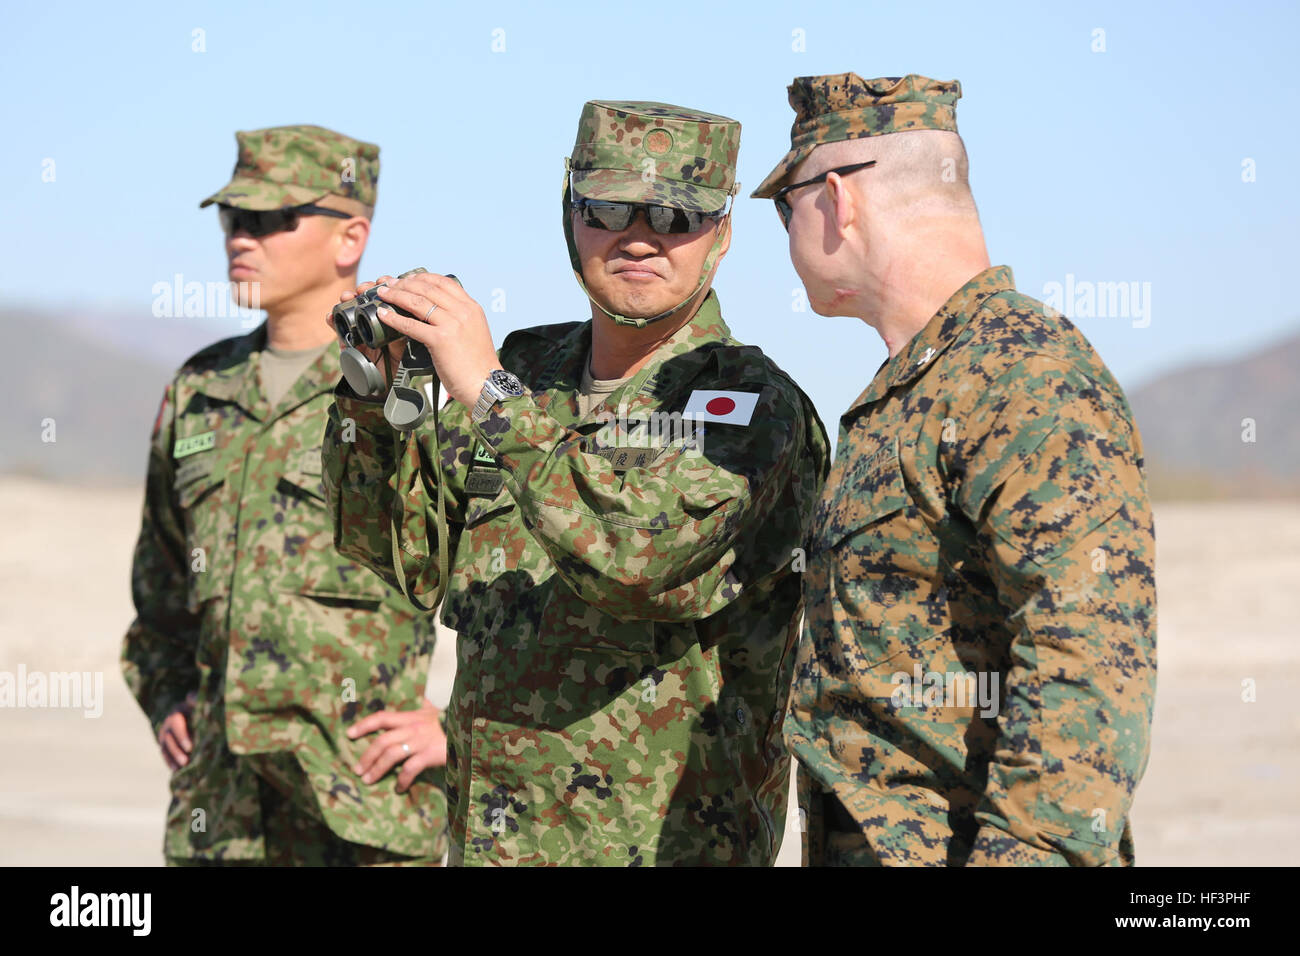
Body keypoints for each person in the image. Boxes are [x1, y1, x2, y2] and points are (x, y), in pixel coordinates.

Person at [322, 100, 829, 865]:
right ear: (571, 216)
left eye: (674, 214)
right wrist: (371, 402)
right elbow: (401, 559)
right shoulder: (529, 370)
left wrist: (489, 396)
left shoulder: (747, 406)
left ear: (720, 238)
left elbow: (633, 558)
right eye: (608, 208)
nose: (638, 237)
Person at [751, 74, 1157, 866]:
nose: (787, 230)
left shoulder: (1026, 376)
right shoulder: (923, 384)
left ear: (838, 200)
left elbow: (1090, 674)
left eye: (784, 205)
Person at [122, 124, 447, 865]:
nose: (243, 237)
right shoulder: (202, 390)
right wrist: (171, 697)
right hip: (222, 820)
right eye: (235, 218)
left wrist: (454, 726)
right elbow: (161, 589)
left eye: (272, 219)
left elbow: (511, 588)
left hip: (360, 814)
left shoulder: (410, 388)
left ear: (349, 238)